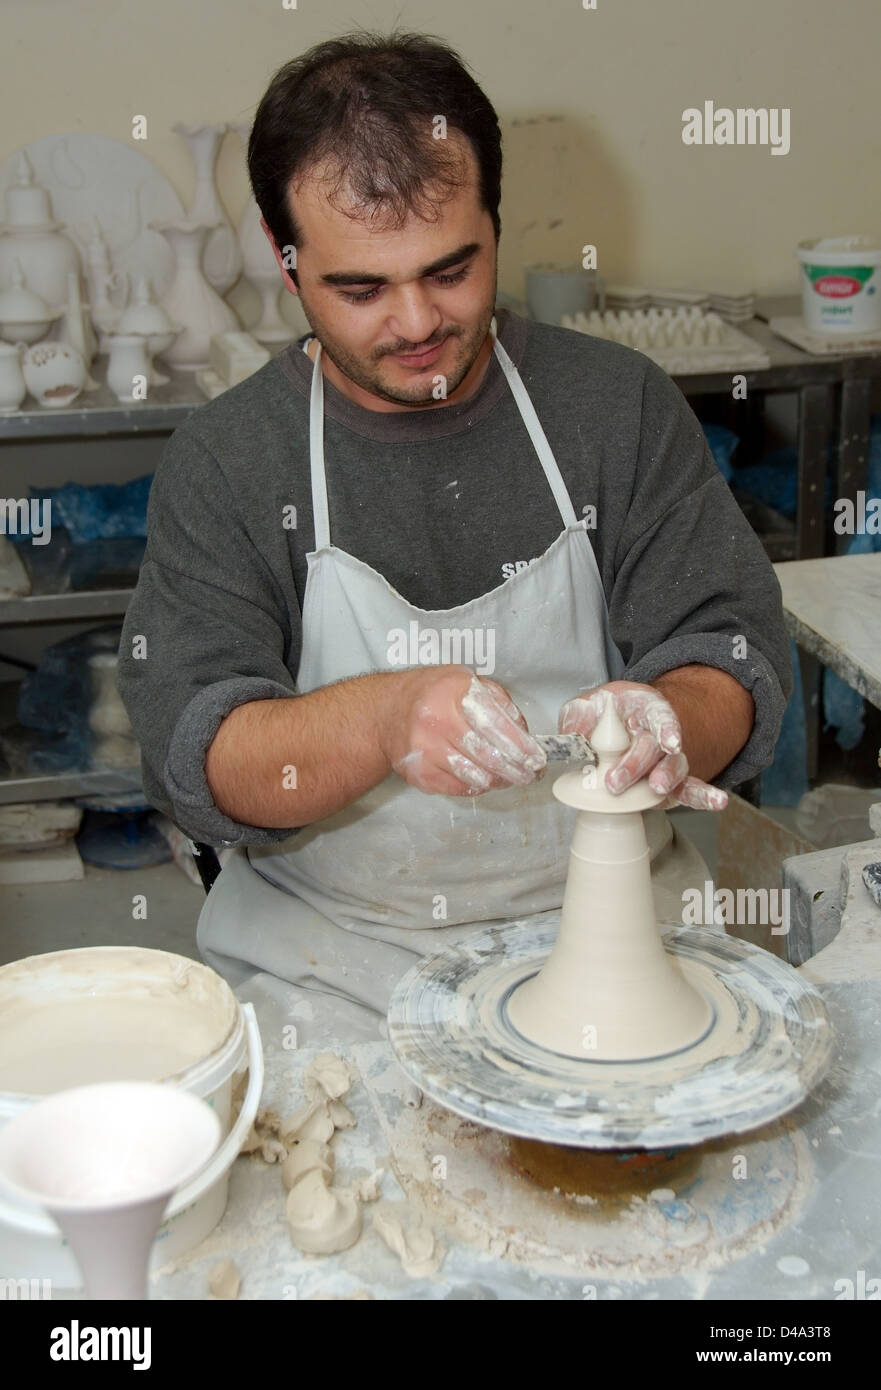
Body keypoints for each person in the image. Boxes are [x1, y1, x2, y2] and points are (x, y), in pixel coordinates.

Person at [118, 30, 791, 1021]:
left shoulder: (614, 407)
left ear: (495, 223)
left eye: (450, 268)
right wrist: (386, 718)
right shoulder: (231, 457)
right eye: (360, 287)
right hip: (336, 957)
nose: (415, 320)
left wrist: (670, 721)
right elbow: (199, 753)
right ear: (283, 256)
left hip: (616, 928)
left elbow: (730, 654)